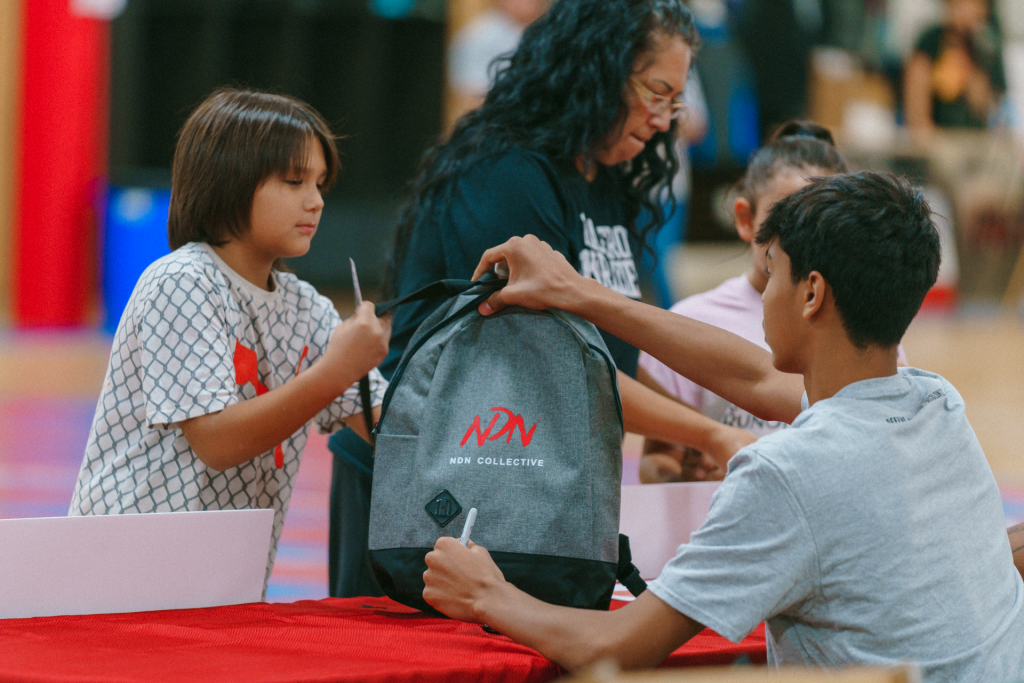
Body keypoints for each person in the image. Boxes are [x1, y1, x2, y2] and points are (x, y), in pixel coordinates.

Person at [423, 171, 1024, 678]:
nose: (762, 297)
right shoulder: (935, 402)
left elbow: (614, 646)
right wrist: (575, 292)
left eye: (772, 272)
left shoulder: (787, 471)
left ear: (812, 293)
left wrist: (486, 593)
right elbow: (757, 381)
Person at [327, 0, 757, 599]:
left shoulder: (605, 179)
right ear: (600, 69)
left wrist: (691, 431)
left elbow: (602, 356)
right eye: (657, 93)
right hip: (420, 474)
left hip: (514, 474)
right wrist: (708, 435)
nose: (665, 121)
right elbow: (551, 374)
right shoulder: (507, 175)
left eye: (675, 102)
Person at [69, 89, 391, 590]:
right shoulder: (182, 280)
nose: (316, 200)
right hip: (125, 578)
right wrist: (335, 371)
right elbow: (217, 441)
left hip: (225, 585)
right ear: (230, 181)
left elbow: (390, 429)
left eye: (320, 183)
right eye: (293, 180)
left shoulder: (305, 306)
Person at [638, 120, 847, 483]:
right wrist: (688, 475)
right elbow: (654, 462)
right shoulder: (692, 320)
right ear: (745, 219)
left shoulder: (856, 319)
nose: (798, 238)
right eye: (782, 219)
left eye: (818, 219)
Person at [904, 0, 1005, 133]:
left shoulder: (986, 47)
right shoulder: (931, 41)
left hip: (976, 139)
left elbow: (990, 106)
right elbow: (916, 94)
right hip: (938, 137)